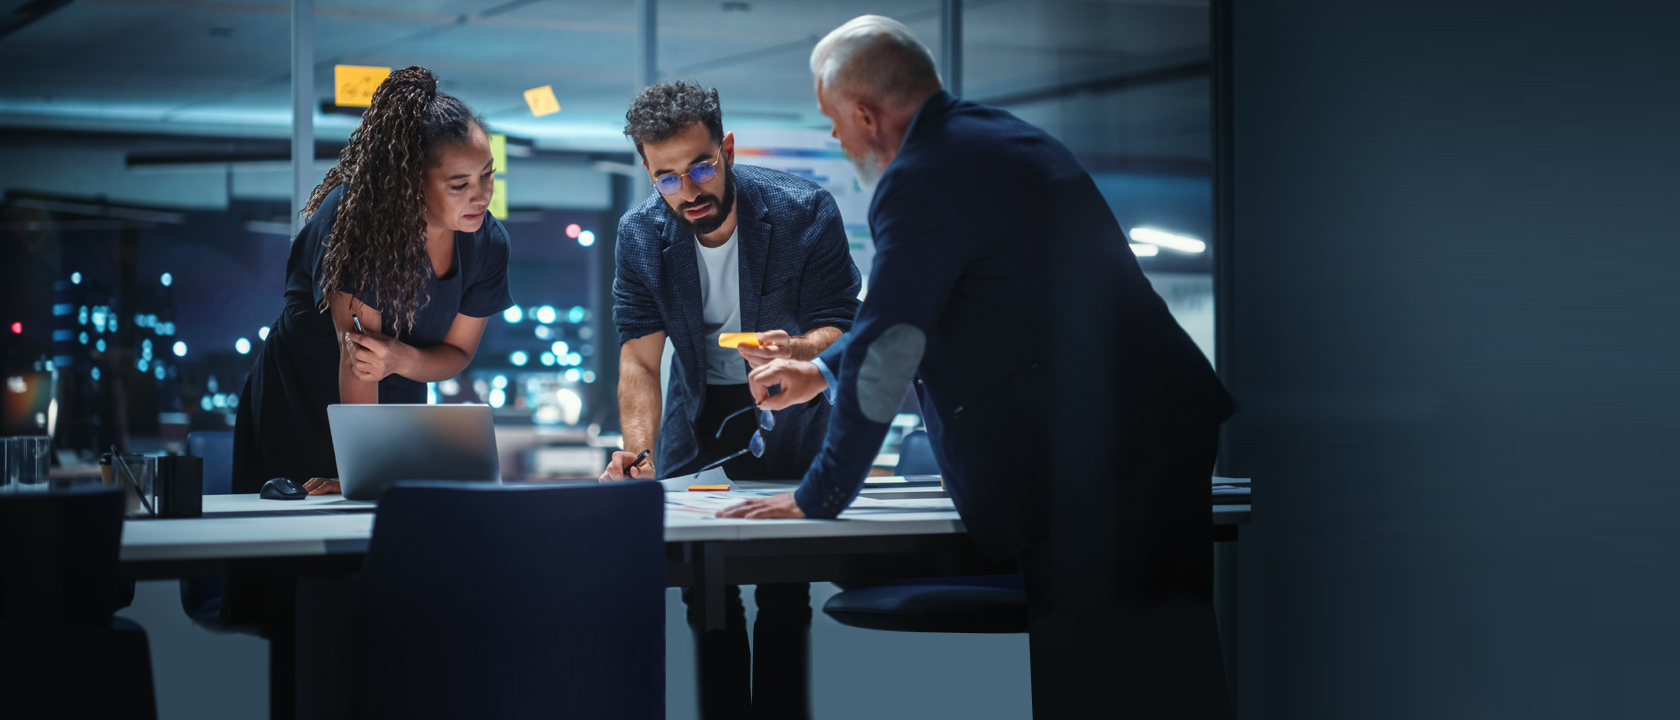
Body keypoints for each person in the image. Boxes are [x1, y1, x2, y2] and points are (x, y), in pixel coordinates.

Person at [720, 16, 1237, 719]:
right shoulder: (999, 139)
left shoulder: (921, 179)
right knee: (1169, 673)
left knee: (1101, 685)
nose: (835, 140)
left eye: (832, 122)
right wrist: (820, 370)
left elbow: (893, 345)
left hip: (1097, 463)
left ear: (866, 117)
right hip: (1150, 436)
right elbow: (937, 311)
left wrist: (819, 495)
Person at [603, 81, 861, 719]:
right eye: (666, 178)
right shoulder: (640, 235)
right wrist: (637, 452)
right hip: (699, 421)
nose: (688, 191)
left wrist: (798, 350)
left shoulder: (804, 211)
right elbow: (639, 356)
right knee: (706, 589)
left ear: (729, 149)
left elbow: (841, 324)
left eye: (700, 167)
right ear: (647, 172)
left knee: (782, 588)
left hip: (791, 406)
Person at [232, 66, 513, 496]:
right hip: (304, 398)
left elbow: (457, 352)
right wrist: (358, 470)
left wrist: (402, 360)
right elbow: (359, 362)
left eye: (487, 174)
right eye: (460, 185)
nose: (481, 195)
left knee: (391, 529)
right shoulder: (360, 226)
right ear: (412, 183)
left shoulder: (487, 243)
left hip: (397, 403)